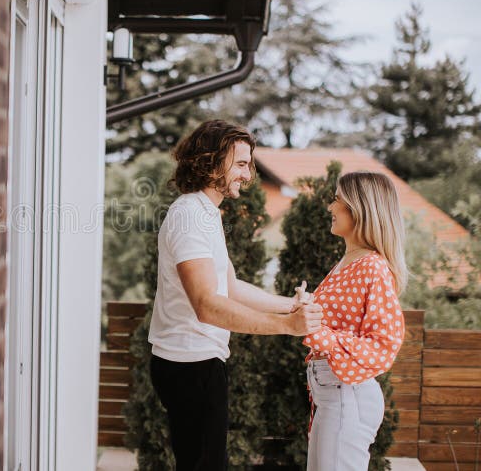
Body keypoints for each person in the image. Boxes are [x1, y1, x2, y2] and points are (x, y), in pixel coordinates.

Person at [148, 120, 324, 471]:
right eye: (241, 164)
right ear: (211, 162)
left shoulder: (206, 214)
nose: (249, 174)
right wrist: (287, 326)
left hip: (200, 362)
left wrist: (290, 305)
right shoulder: (189, 218)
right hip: (189, 364)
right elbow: (207, 305)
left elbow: (228, 287)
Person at [300, 171, 408, 471]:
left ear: (360, 209)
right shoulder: (349, 262)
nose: (330, 207)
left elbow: (384, 342)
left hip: (346, 395)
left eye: (337, 200)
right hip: (333, 396)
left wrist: (319, 335)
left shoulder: (372, 266)